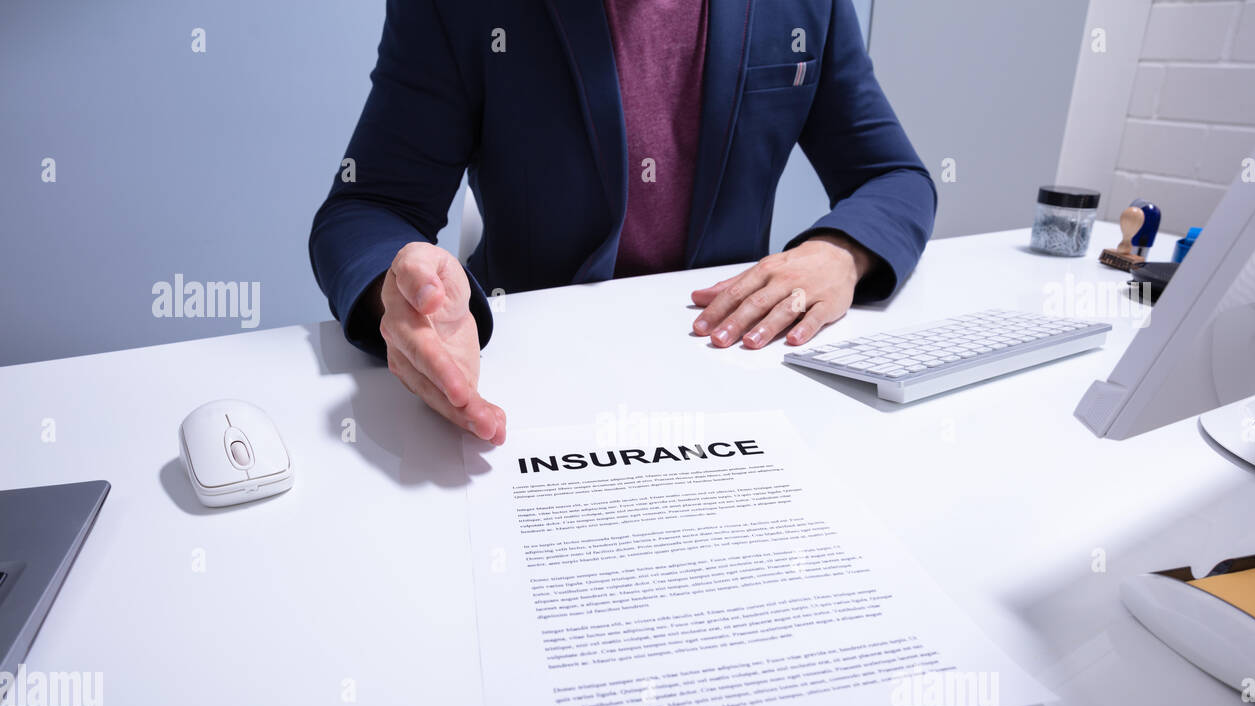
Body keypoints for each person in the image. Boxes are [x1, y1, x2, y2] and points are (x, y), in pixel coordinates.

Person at [309, 0, 936, 446]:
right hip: (527, 393)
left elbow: (893, 176)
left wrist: (840, 251)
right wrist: (399, 283)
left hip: (735, 380)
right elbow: (367, 207)